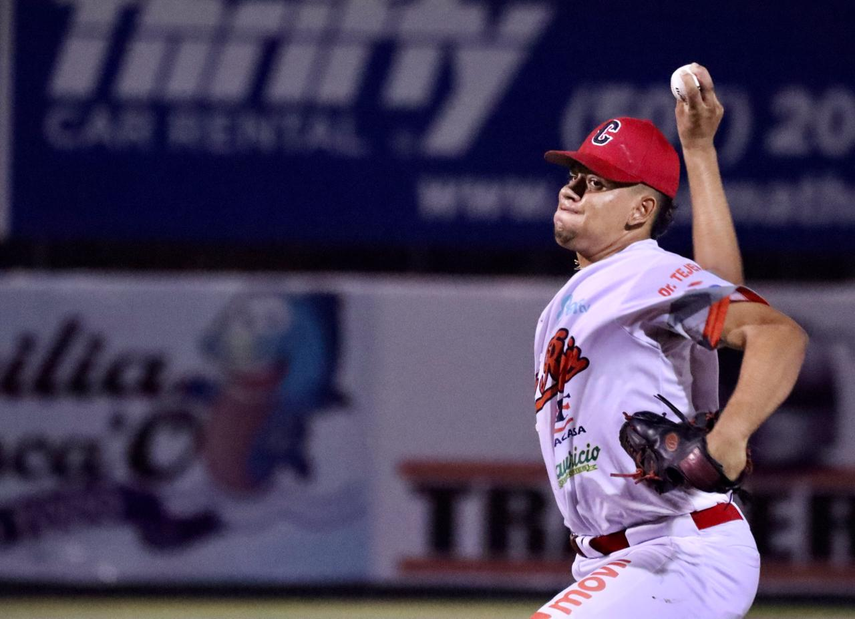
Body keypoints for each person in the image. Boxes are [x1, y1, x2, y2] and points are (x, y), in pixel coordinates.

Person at [530, 64, 808, 619]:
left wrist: (729, 436)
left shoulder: (638, 273)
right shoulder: (599, 289)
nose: (574, 186)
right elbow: (724, 290)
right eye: (576, 174)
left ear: (641, 210)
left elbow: (778, 335)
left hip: (678, 550)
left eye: (598, 182)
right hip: (614, 562)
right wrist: (699, 151)